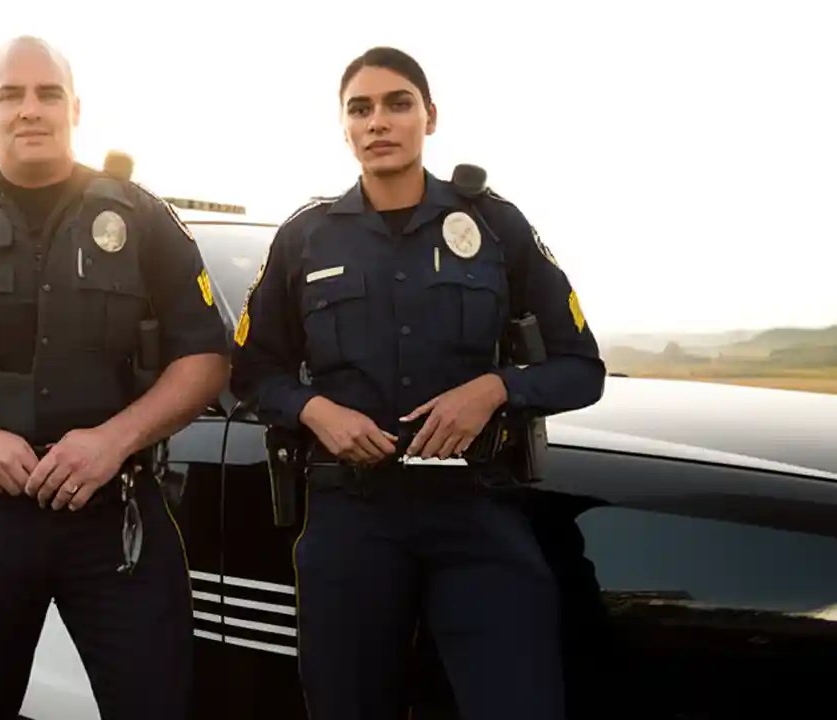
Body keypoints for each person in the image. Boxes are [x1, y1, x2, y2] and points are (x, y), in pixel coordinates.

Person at [0, 35, 230, 719]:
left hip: (117, 513)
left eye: (48, 94)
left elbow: (206, 357)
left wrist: (113, 441)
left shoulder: (142, 218)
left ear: (75, 107)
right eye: (12, 95)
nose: (31, 110)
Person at [229, 46, 606, 720]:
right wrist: (315, 410)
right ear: (343, 127)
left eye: (398, 103)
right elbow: (253, 370)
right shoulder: (305, 238)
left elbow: (581, 366)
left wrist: (494, 389)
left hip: (475, 510)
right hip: (351, 517)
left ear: (429, 116)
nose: (379, 121)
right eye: (360, 108)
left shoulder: (494, 224)